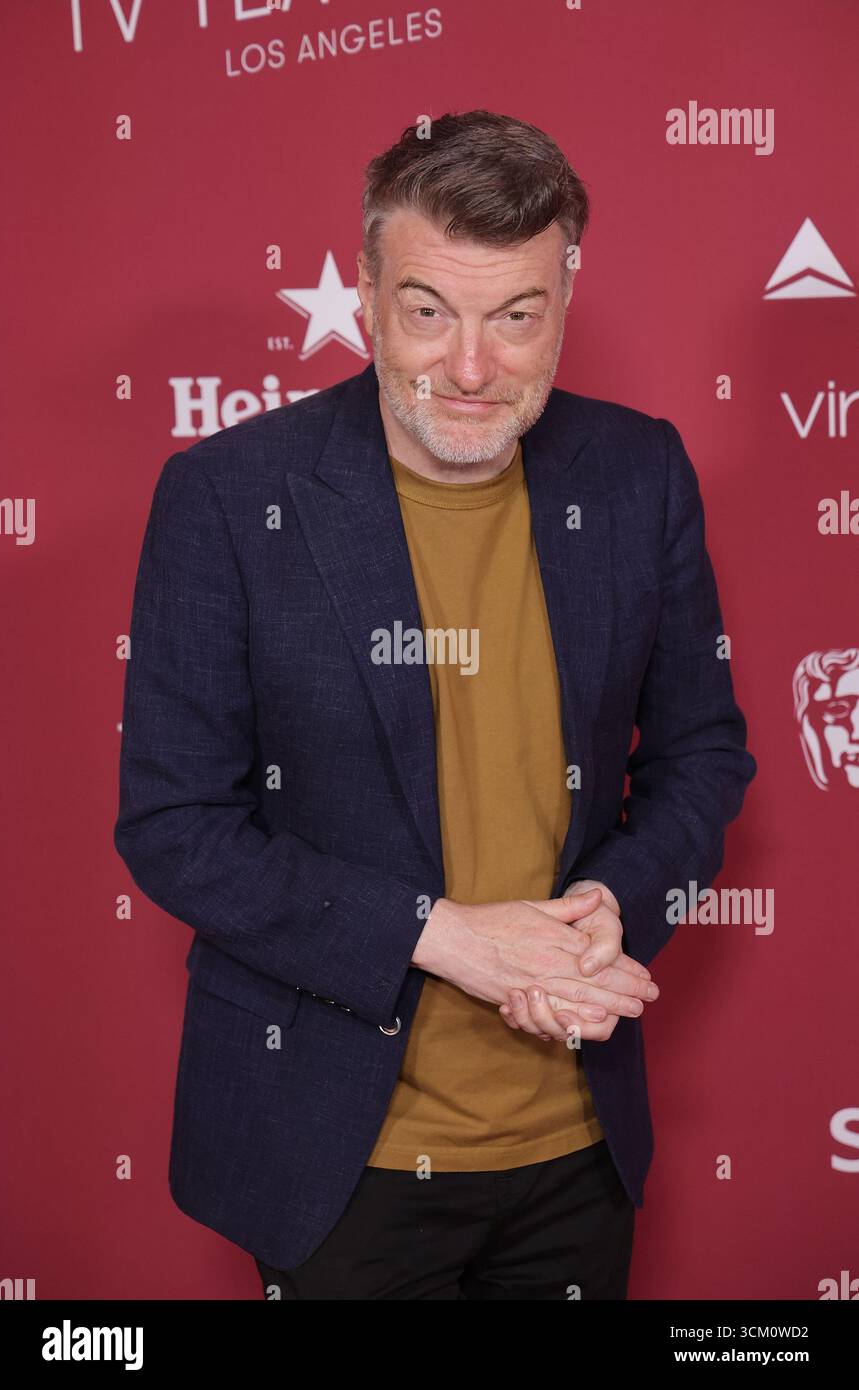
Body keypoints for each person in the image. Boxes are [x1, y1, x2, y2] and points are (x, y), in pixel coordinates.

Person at [114, 109, 756, 1300]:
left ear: (567, 292)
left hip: (577, 1152)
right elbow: (174, 826)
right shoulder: (227, 498)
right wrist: (444, 933)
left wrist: (616, 897)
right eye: (428, 311)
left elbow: (702, 754)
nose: (471, 368)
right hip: (335, 1161)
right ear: (363, 292)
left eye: (516, 316)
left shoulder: (639, 472)